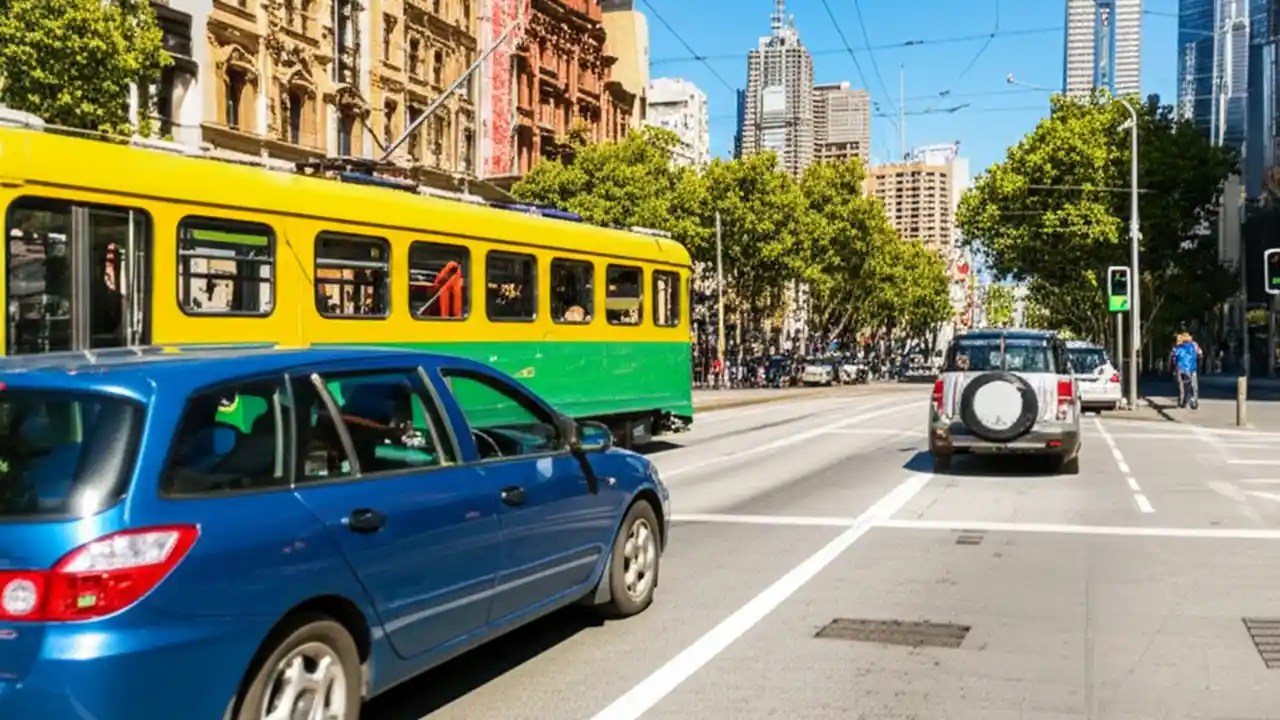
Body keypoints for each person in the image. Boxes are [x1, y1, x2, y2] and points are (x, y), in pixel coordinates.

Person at [1171, 332, 1203, 409]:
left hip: (1181, 368)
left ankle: (1183, 401)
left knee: (1182, 385)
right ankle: (1194, 401)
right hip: (1192, 368)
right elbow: (1200, 354)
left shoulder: (1178, 346)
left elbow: (1174, 357)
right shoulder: (1194, 345)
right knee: (1193, 385)